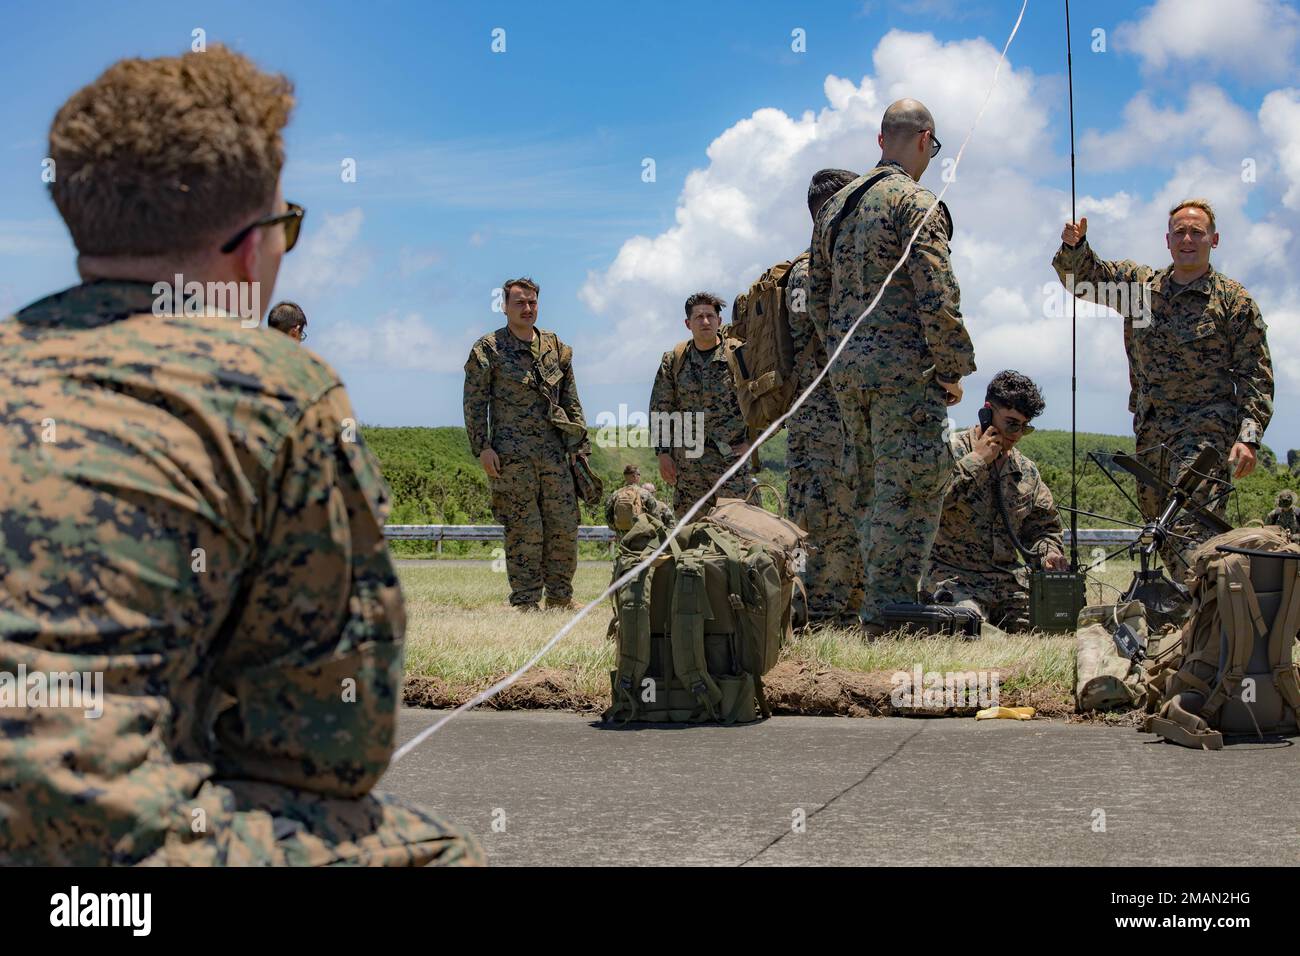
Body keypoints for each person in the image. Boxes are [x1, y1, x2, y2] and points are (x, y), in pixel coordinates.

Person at [0, 45, 479, 866]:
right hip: (97, 864)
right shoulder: (278, 390)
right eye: (287, 225)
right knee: (434, 851)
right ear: (248, 246)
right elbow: (328, 748)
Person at [807, 98, 976, 636]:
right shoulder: (915, 201)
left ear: (883, 140)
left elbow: (816, 298)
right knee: (912, 487)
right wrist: (951, 366)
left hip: (848, 373)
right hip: (904, 375)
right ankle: (893, 610)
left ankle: (875, 602)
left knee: (868, 486)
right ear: (925, 140)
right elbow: (938, 291)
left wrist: (843, 353)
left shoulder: (836, 205)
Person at [1053, 200, 1273, 573]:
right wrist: (1075, 247)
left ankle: (1202, 618)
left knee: (1187, 521)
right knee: (1160, 524)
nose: (1188, 239)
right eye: (1180, 232)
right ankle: (1193, 606)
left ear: (1214, 240)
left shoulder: (1233, 301)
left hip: (1206, 432)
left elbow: (1256, 373)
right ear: (1167, 240)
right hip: (1153, 430)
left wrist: (1248, 437)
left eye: (1197, 232)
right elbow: (1085, 281)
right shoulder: (1139, 289)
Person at [464, 277, 590, 611]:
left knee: (563, 526)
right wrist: (483, 448)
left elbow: (572, 401)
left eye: (532, 302)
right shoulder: (487, 349)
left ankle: (561, 596)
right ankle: (525, 601)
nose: (527, 308)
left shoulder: (557, 347)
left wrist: (580, 445)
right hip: (511, 457)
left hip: (555, 456)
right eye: (519, 302)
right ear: (504, 306)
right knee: (523, 529)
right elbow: (474, 404)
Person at [785, 168, 865, 629]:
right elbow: (829, 334)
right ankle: (818, 613)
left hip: (845, 414)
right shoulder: (807, 272)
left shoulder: (842, 265)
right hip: (820, 418)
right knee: (821, 514)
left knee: (849, 510)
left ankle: (849, 609)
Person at [926, 372, 1066, 632]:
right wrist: (977, 461)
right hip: (953, 577)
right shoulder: (950, 450)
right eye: (1012, 423)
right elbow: (930, 502)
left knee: (1054, 624)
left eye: (1025, 427)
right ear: (987, 412)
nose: (1018, 434)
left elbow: (1044, 527)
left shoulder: (1025, 470)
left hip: (1007, 584)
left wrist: (1049, 552)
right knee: (965, 625)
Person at [650, 292, 752, 520]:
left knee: (739, 531)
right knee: (691, 534)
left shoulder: (739, 355)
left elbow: (762, 403)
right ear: (688, 323)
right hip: (689, 466)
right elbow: (660, 408)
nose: (705, 322)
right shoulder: (674, 360)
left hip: (731, 463)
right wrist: (663, 454)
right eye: (698, 317)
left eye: (710, 316)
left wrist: (752, 441)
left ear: (719, 321)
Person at [604, 464, 674, 540]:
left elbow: (608, 515)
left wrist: (618, 530)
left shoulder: (616, 494)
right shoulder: (645, 493)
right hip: (642, 535)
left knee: (624, 552)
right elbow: (655, 514)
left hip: (623, 536)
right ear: (635, 476)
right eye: (639, 475)